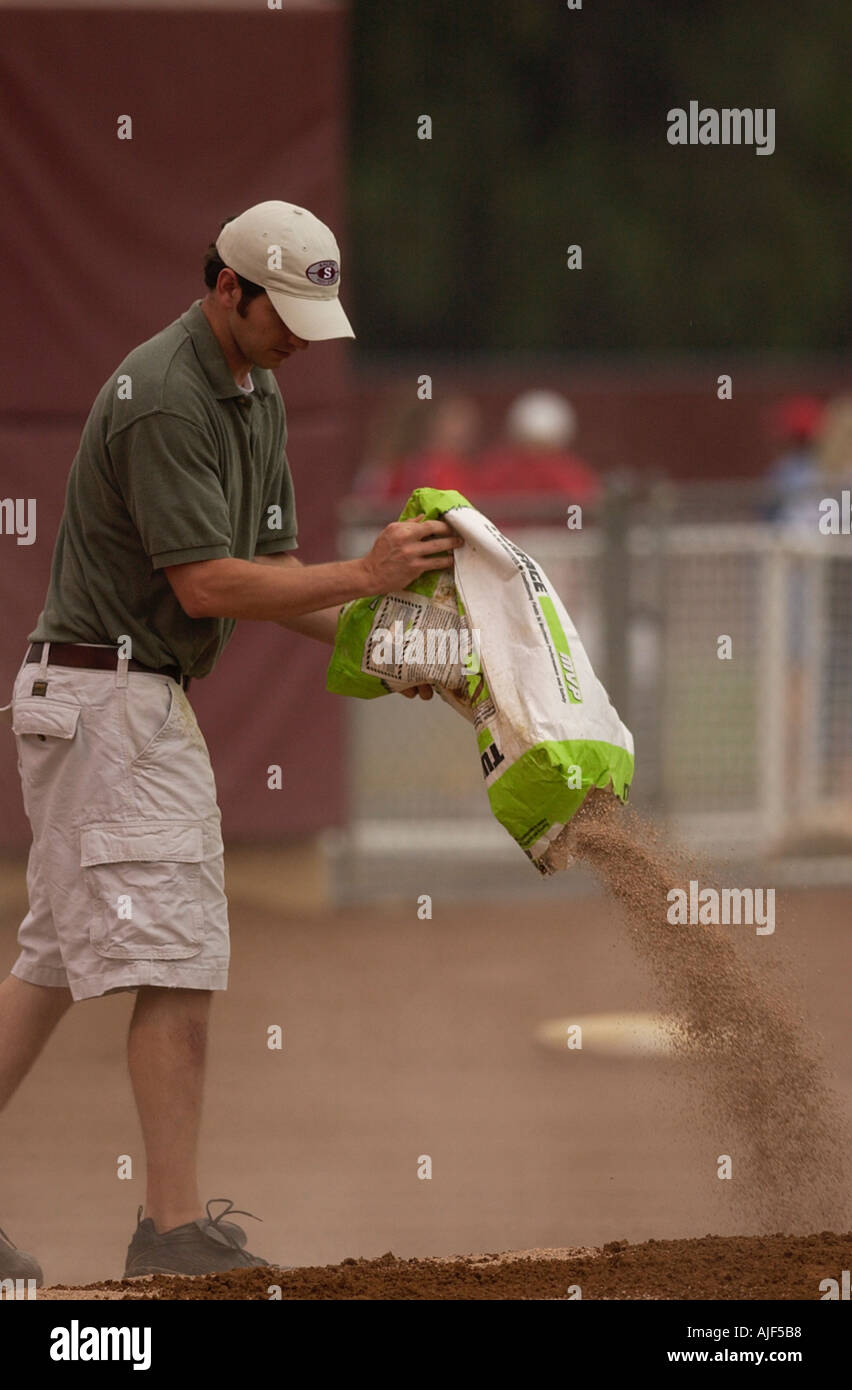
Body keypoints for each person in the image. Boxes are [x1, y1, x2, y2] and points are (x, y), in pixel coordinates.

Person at [0, 200, 462, 1285]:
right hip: (113, 698)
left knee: (49, 969)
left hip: (107, 698)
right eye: (283, 312)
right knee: (175, 961)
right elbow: (207, 585)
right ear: (226, 289)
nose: (300, 334)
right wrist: (368, 577)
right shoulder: (167, 395)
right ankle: (169, 1232)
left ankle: (169, 1225)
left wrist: (394, 650)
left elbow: (279, 578)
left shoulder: (254, 395)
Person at [473, 390, 601, 506]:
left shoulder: (571, 473)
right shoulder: (498, 469)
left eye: (544, 446)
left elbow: (580, 512)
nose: (536, 454)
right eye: (531, 443)